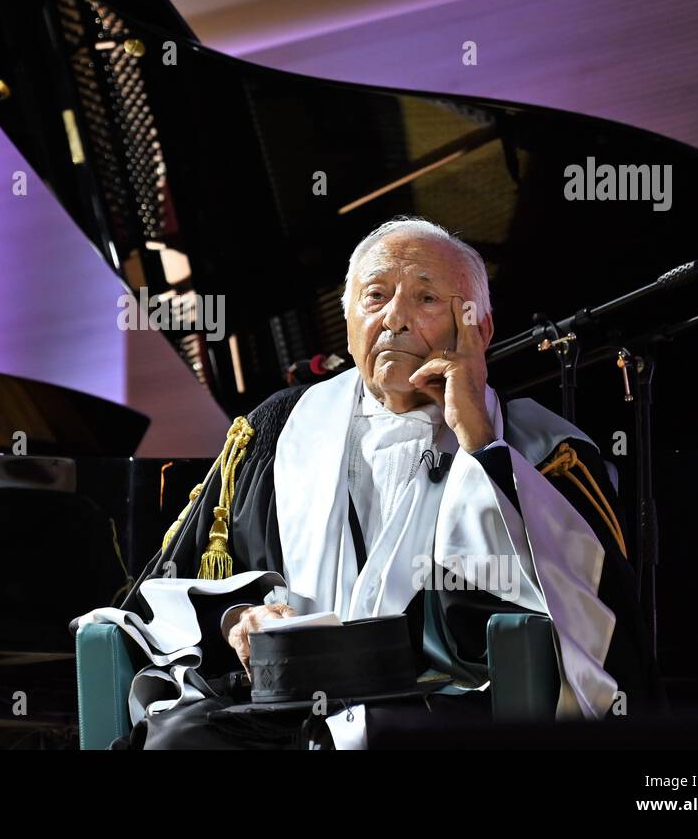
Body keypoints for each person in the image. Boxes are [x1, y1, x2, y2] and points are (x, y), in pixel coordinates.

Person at [97, 215, 664, 749]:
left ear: (479, 327)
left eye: (425, 298)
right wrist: (237, 619)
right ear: (347, 324)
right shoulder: (274, 432)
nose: (394, 318)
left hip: (438, 709)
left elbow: (589, 621)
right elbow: (174, 583)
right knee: (179, 739)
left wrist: (481, 447)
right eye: (375, 297)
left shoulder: (543, 452)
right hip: (281, 709)